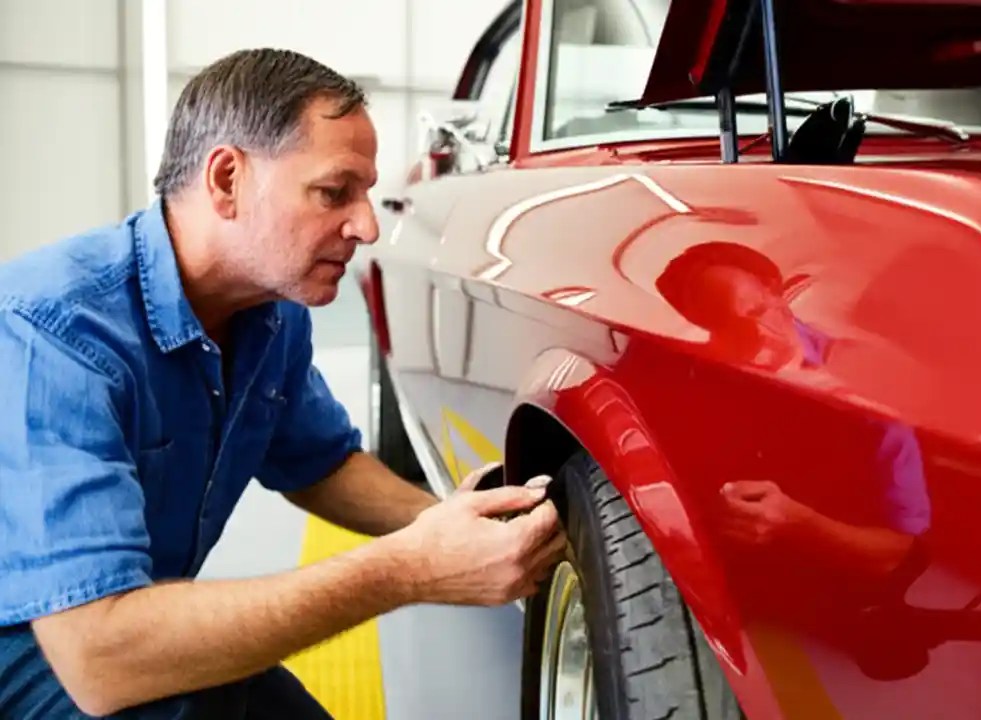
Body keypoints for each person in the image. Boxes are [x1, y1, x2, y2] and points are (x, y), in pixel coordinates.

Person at [0, 48, 565, 718]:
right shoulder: (54, 334)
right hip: (53, 646)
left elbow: (318, 464)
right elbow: (101, 658)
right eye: (334, 192)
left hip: (137, 621)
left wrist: (448, 524)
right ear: (227, 179)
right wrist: (411, 568)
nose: (368, 226)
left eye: (366, 192)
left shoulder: (270, 314)